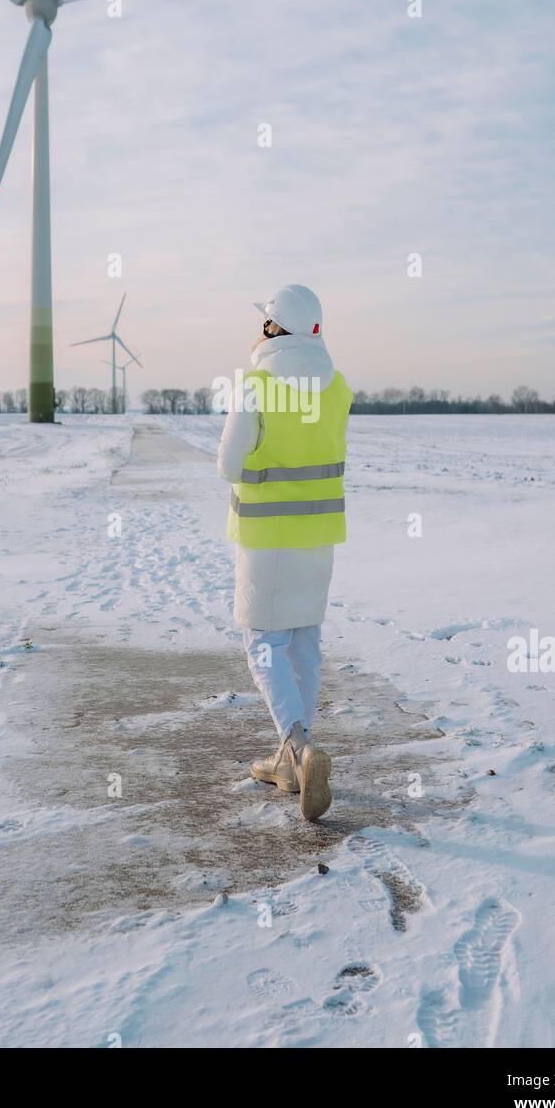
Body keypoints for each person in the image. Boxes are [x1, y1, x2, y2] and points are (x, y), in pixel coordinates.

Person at [217, 285, 352, 821]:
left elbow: (229, 464)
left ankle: (298, 747)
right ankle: (292, 760)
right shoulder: (338, 387)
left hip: (267, 539)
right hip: (319, 536)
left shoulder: (255, 386)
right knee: (303, 644)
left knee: (264, 646)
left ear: (274, 328)